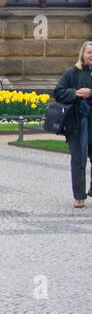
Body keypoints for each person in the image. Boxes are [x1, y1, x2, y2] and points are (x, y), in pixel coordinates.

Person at [53, 40, 92, 208]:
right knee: (78, 161)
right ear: (82, 55)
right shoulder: (72, 73)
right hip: (77, 125)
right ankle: (79, 196)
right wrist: (74, 93)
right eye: (89, 53)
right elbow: (58, 92)